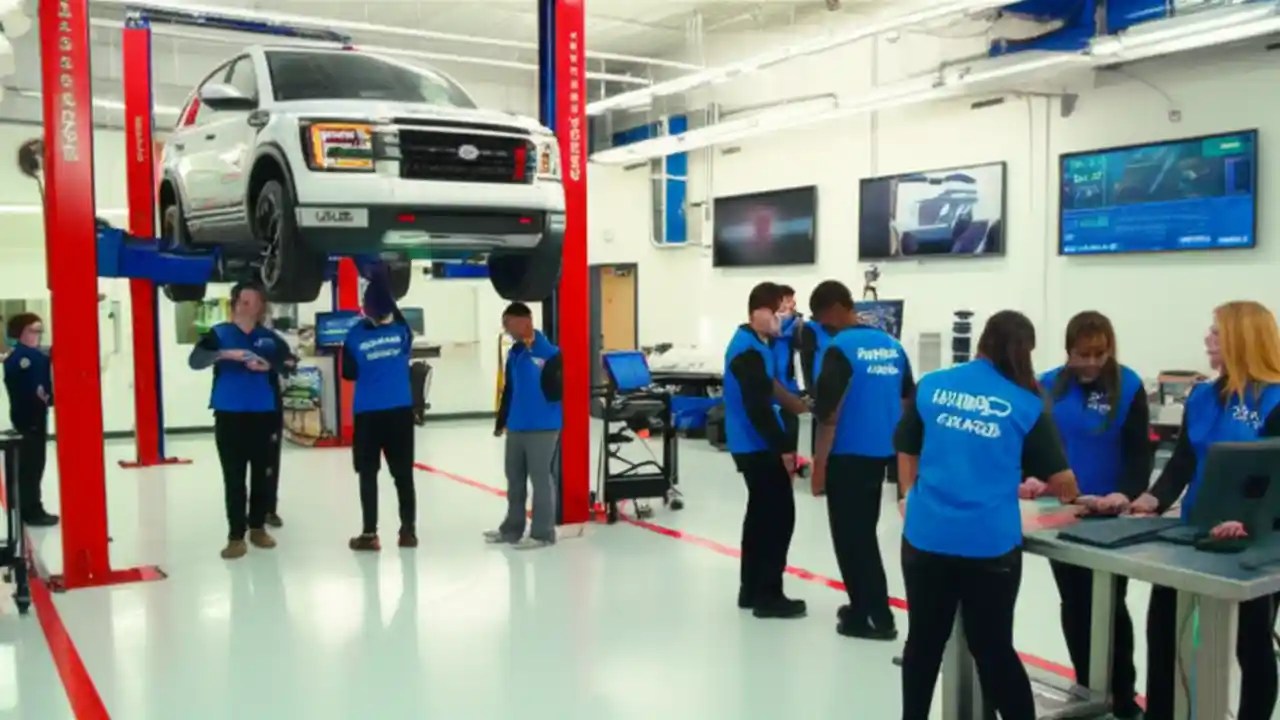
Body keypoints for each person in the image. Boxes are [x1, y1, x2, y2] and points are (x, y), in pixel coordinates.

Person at [895, 310, 1082, 720]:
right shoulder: (1025, 403)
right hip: (988, 544)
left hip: (928, 535)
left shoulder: (933, 386)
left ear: (982, 341)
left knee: (924, 644)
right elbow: (1063, 480)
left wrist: (908, 495)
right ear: (1025, 352)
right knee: (993, 649)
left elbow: (906, 444)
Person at [1129, 300, 1280, 720]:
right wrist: (1151, 499)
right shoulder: (1202, 396)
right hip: (1192, 532)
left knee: (1251, 641)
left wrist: (1248, 519)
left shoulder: (1276, 401)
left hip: (1258, 540)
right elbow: (1183, 460)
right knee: (1163, 627)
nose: (1207, 340)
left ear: (1240, 339)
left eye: (1216, 332)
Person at [1027, 311, 1148, 718]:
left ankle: (1123, 693)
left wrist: (1125, 493)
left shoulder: (1128, 385)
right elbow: (1035, 445)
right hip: (1064, 512)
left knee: (1112, 602)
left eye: (1100, 353)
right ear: (1068, 352)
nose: (1093, 363)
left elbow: (1138, 452)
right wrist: (1033, 478)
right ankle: (1088, 687)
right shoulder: (1048, 386)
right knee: (1074, 601)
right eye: (1084, 355)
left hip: (1112, 512)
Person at [810, 279, 913, 641]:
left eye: (822, 318)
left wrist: (819, 467)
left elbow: (828, 414)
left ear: (834, 309)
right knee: (864, 534)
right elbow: (906, 402)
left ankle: (876, 616)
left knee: (851, 539)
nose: (823, 325)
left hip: (847, 454)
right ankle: (861, 605)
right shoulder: (891, 346)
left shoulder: (840, 349)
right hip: (881, 454)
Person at [724, 281, 809, 619]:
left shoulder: (760, 344)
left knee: (760, 516)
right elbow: (758, 406)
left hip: (755, 442)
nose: (780, 319)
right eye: (776, 312)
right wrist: (784, 448)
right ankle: (768, 594)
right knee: (777, 517)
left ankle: (751, 589)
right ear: (756, 312)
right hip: (755, 444)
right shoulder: (746, 350)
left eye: (785, 311)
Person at [189, 283, 286, 559]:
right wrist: (224, 354)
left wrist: (269, 366)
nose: (248, 307)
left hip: (263, 414)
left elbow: (289, 362)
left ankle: (257, 527)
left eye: (254, 302)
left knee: (261, 475)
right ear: (235, 304)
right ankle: (235, 535)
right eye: (244, 301)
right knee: (234, 476)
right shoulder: (219, 334)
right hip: (229, 414)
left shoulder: (268, 338)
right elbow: (195, 360)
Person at [343, 271, 417, 552]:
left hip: (368, 415)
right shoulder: (402, 333)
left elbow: (349, 374)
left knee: (368, 474)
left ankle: (369, 533)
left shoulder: (354, 336)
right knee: (403, 475)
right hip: (399, 412)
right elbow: (399, 319)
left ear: (366, 307)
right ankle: (408, 531)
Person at [485, 302, 563, 550]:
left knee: (540, 479)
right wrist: (502, 421)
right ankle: (512, 529)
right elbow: (509, 390)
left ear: (525, 322)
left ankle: (542, 533)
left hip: (543, 426)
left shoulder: (550, 354)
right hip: (517, 426)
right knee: (514, 479)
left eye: (509, 324)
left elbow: (558, 392)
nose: (506, 330)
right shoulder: (515, 354)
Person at [3, 313, 58, 526]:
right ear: (21, 332)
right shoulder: (27, 358)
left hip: (26, 417)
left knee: (30, 466)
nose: (38, 335)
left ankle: (29, 508)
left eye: (39, 331)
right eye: (33, 330)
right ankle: (32, 511)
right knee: (33, 467)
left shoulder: (21, 355)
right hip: (32, 418)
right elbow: (38, 390)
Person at [773, 285, 804, 452]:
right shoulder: (765, 332)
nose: (783, 306)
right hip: (768, 400)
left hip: (793, 398)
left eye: (787, 300)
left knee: (792, 452)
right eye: (779, 302)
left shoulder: (803, 331)